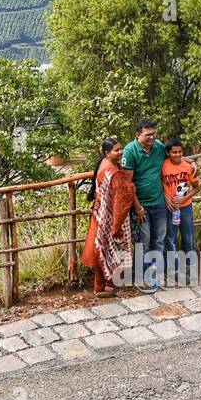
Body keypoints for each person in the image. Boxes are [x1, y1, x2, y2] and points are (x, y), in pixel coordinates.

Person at [80, 137, 135, 297]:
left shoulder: (105, 165)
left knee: (101, 249)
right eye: (116, 150)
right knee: (114, 250)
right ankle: (111, 285)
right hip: (112, 217)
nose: (120, 152)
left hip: (100, 214)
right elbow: (123, 196)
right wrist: (117, 225)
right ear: (106, 153)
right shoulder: (113, 172)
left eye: (121, 149)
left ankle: (100, 286)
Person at [121, 119, 166, 292]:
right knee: (143, 241)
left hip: (159, 202)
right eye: (148, 135)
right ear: (138, 135)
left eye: (153, 133)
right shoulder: (130, 151)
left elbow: (176, 156)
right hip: (142, 206)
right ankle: (140, 277)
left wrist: (190, 162)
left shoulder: (159, 147)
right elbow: (128, 184)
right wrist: (138, 207)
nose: (152, 137)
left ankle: (156, 274)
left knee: (159, 239)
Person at [161, 138, 199, 284]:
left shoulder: (188, 167)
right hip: (171, 208)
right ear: (168, 153)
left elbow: (197, 187)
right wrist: (167, 199)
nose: (177, 155)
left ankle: (190, 267)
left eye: (180, 152)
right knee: (170, 238)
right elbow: (162, 182)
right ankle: (174, 269)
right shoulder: (163, 166)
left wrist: (184, 199)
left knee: (188, 236)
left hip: (185, 207)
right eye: (174, 152)